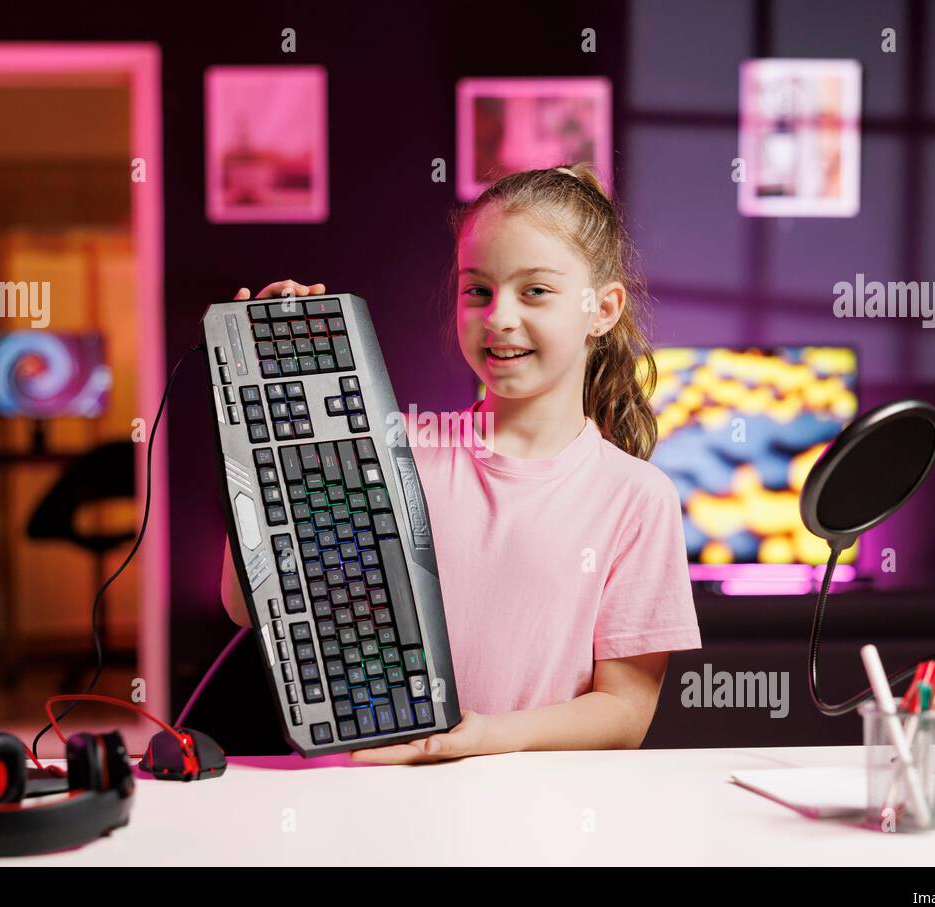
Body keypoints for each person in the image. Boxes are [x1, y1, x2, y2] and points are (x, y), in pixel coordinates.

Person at [222, 164, 701, 763]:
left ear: (602, 309)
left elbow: (625, 712)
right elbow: (248, 607)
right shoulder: (392, 451)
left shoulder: (636, 497)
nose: (499, 316)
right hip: (356, 803)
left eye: (535, 291)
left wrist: (482, 738)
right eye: (478, 290)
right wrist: (262, 417)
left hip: (523, 820)